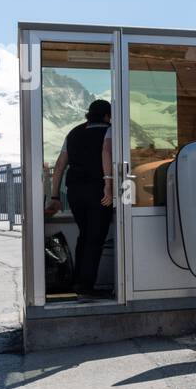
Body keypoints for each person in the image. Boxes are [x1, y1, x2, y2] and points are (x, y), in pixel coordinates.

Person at [45, 99, 114, 298]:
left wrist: (55, 195)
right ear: (107, 115)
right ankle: (85, 285)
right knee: (95, 237)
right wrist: (108, 185)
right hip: (99, 190)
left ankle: (77, 281)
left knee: (84, 235)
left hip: (74, 191)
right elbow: (106, 152)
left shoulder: (74, 133)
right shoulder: (110, 131)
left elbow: (59, 165)